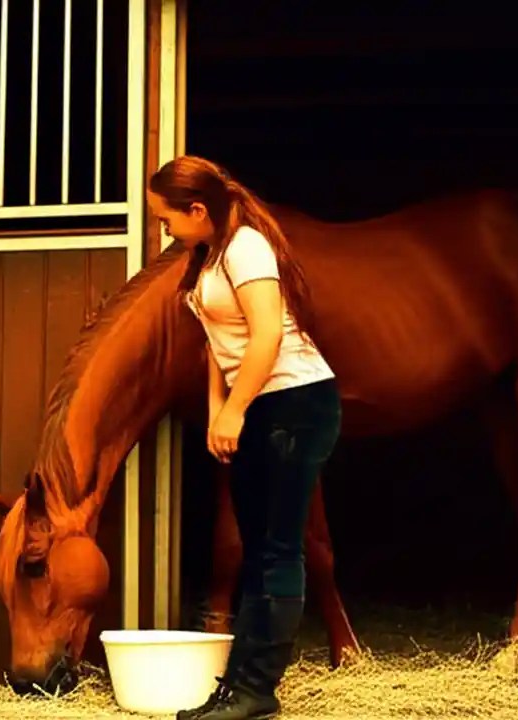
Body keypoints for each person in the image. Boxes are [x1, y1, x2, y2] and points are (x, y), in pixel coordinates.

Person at [147, 156, 342, 720]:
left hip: (293, 402)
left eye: (166, 220)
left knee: (278, 548)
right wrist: (219, 409)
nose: (164, 230)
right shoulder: (208, 255)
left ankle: (258, 688)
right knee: (259, 549)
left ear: (198, 210)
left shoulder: (247, 248)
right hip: (257, 403)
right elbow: (217, 341)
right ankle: (238, 686)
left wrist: (236, 410)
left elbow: (266, 339)